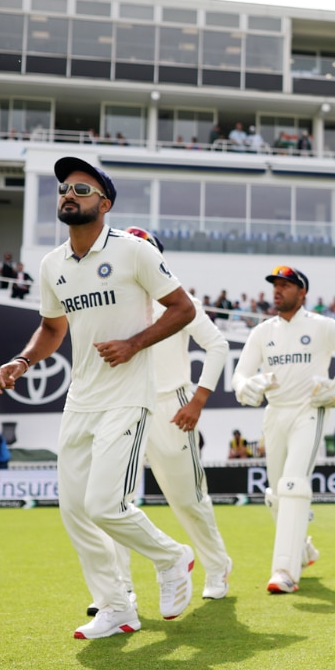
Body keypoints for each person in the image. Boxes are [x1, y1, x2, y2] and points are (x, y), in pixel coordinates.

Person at [0, 157, 197, 640]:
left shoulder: (134, 251)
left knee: (105, 505)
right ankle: (116, 607)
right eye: (64, 187)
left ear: (104, 204)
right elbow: (51, 328)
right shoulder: (52, 264)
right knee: (75, 512)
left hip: (128, 396)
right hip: (80, 399)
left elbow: (182, 308)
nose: (69, 193)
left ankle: (172, 557)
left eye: (82, 189)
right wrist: (23, 360)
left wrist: (133, 344)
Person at [233, 264, 335, 596]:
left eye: (285, 285)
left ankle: (284, 571)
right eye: (275, 285)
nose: (277, 290)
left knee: (293, 484)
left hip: (309, 411)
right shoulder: (262, 332)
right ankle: (303, 550)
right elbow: (240, 374)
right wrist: (245, 386)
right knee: (276, 495)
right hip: (275, 414)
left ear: (302, 292)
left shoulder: (322, 326)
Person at [122, 227, 234, 601]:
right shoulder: (112, 302)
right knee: (115, 501)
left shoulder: (180, 299)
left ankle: (217, 566)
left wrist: (198, 400)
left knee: (188, 499)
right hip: (124, 406)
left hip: (172, 405)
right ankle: (119, 589)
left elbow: (217, 345)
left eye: (143, 250)